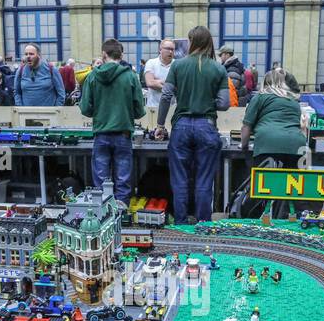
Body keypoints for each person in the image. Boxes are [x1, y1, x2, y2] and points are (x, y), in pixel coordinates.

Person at [155, 25, 230, 224]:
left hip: (180, 127)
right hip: (207, 127)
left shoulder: (178, 66)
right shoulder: (219, 68)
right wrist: (207, 101)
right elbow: (224, 104)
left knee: (180, 180)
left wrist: (160, 125)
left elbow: (166, 95)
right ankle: (203, 224)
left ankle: (181, 223)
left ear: (193, 42)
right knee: (204, 181)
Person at [79, 38, 146, 207]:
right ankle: (120, 217)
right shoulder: (130, 76)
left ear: (104, 54)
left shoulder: (93, 76)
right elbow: (139, 111)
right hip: (123, 135)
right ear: (121, 54)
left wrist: (101, 111)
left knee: (101, 182)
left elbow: (85, 108)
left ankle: (102, 217)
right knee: (123, 181)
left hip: (101, 135)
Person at [240, 69, 306, 219]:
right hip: (296, 146)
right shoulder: (293, 100)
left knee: (261, 186)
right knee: (290, 187)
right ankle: (287, 219)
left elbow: (246, 126)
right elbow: (301, 126)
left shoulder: (260, 97)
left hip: (267, 144)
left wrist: (243, 146)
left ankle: (253, 219)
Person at [143, 38, 176, 108]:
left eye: (172, 49)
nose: (170, 52)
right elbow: (150, 83)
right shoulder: (151, 63)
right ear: (160, 50)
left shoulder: (177, 64)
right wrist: (170, 85)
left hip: (172, 108)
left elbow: (180, 86)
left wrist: (158, 81)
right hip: (153, 107)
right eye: (167, 49)